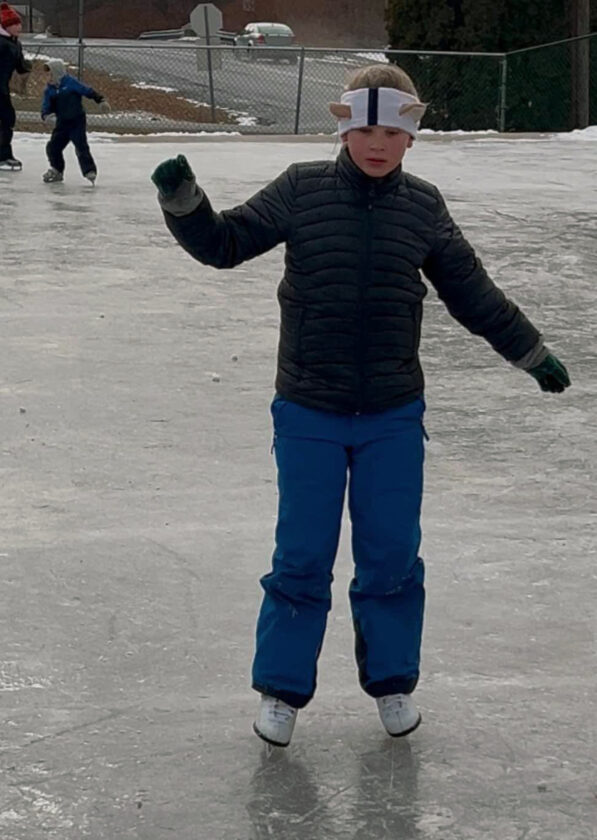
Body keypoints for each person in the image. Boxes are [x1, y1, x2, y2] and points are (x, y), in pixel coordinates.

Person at [151, 64, 571, 748]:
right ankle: (282, 692)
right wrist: (183, 202)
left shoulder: (423, 207)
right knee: (302, 554)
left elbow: (472, 293)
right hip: (309, 410)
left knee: (391, 554)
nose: (376, 143)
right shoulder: (300, 190)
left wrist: (528, 353)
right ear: (343, 128)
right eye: (364, 128)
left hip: (391, 414)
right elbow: (224, 245)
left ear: (410, 136)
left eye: (391, 131)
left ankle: (392, 683)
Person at [40, 58, 110, 184]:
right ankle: (57, 170)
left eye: (50, 74)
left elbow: (87, 91)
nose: (48, 77)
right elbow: (46, 107)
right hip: (61, 124)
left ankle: (89, 170)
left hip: (76, 121)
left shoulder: (70, 83)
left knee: (81, 146)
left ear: (57, 73)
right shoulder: (49, 90)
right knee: (53, 147)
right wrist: (47, 116)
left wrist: (100, 100)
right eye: (47, 75)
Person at [0, 1, 31, 171]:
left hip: (3, 88)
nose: (19, 27)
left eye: (19, 23)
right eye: (15, 24)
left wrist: (26, 66)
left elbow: (19, 66)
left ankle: (5, 154)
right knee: (6, 119)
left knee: (7, 120)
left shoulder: (15, 43)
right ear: (6, 26)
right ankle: (3, 155)